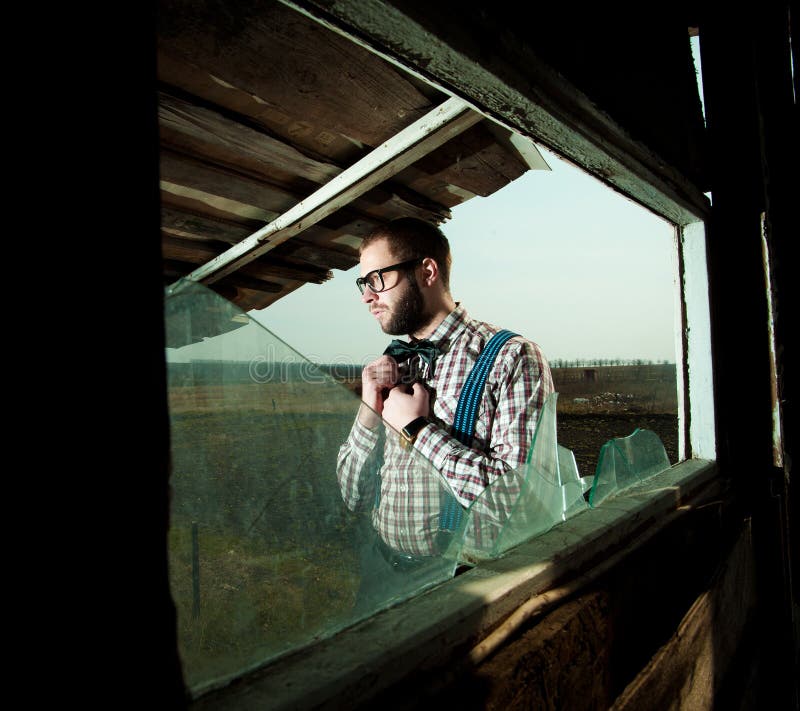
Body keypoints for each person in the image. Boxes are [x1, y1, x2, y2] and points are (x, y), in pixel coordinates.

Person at [336, 217, 553, 600]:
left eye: (377, 279)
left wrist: (418, 429)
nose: (367, 296)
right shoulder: (392, 364)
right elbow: (352, 496)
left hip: (462, 583)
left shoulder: (512, 357)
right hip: (379, 572)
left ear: (427, 271)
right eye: (363, 283)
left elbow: (518, 504)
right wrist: (370, 410)